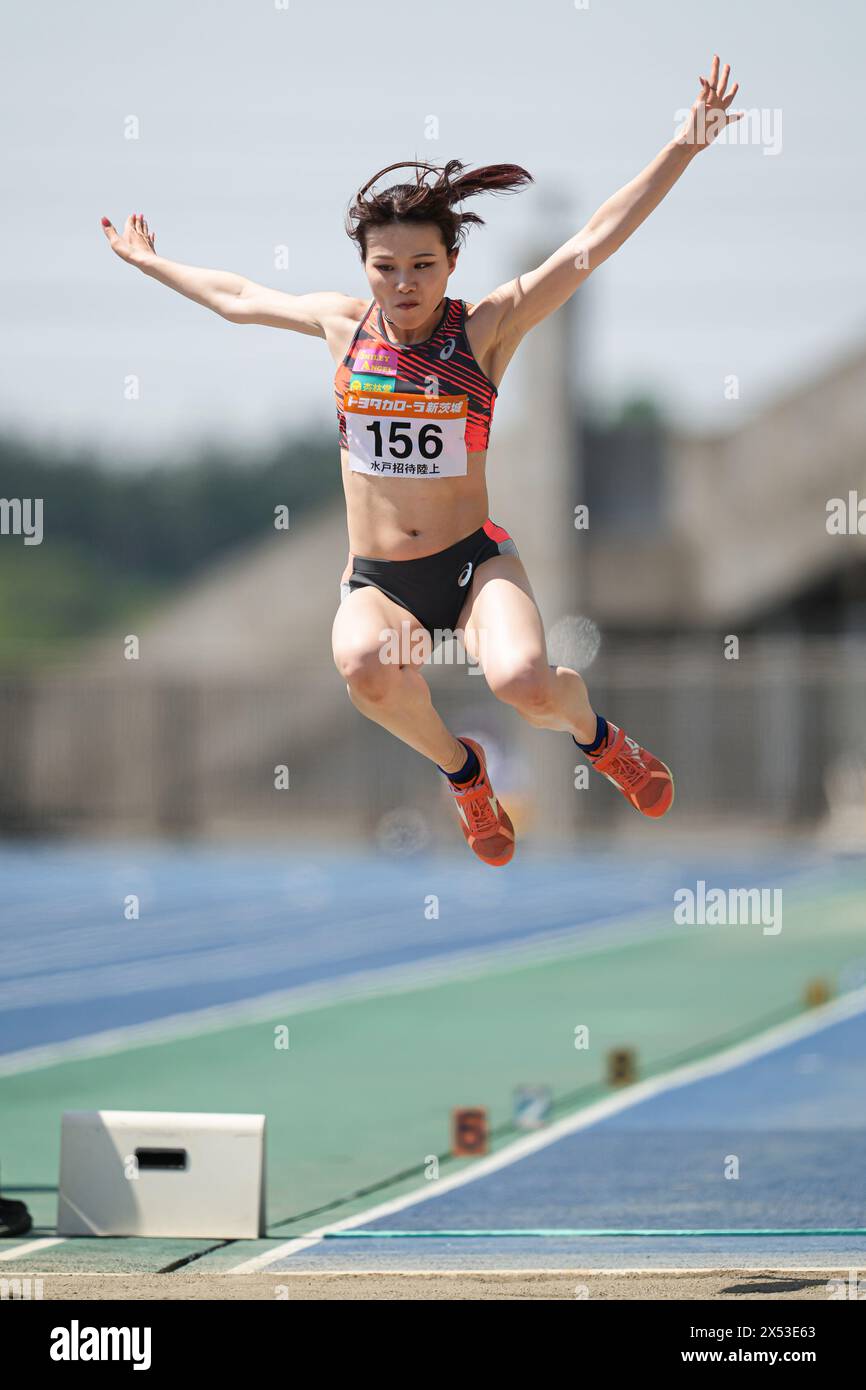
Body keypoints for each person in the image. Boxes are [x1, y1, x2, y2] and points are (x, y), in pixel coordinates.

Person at [101, 55, 741, 868]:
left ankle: (601, 738)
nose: (404, 285)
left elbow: (591, 244)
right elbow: (237, 298)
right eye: (385, 267)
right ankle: (465, 775)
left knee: (524, 684)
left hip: (474, 568)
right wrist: (153, 262)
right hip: (380, 582)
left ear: (451, 264)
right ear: (364, 267)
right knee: (362, 664)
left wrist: (683, 147)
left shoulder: (486, 330)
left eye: (422, 267)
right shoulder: (343, 328)